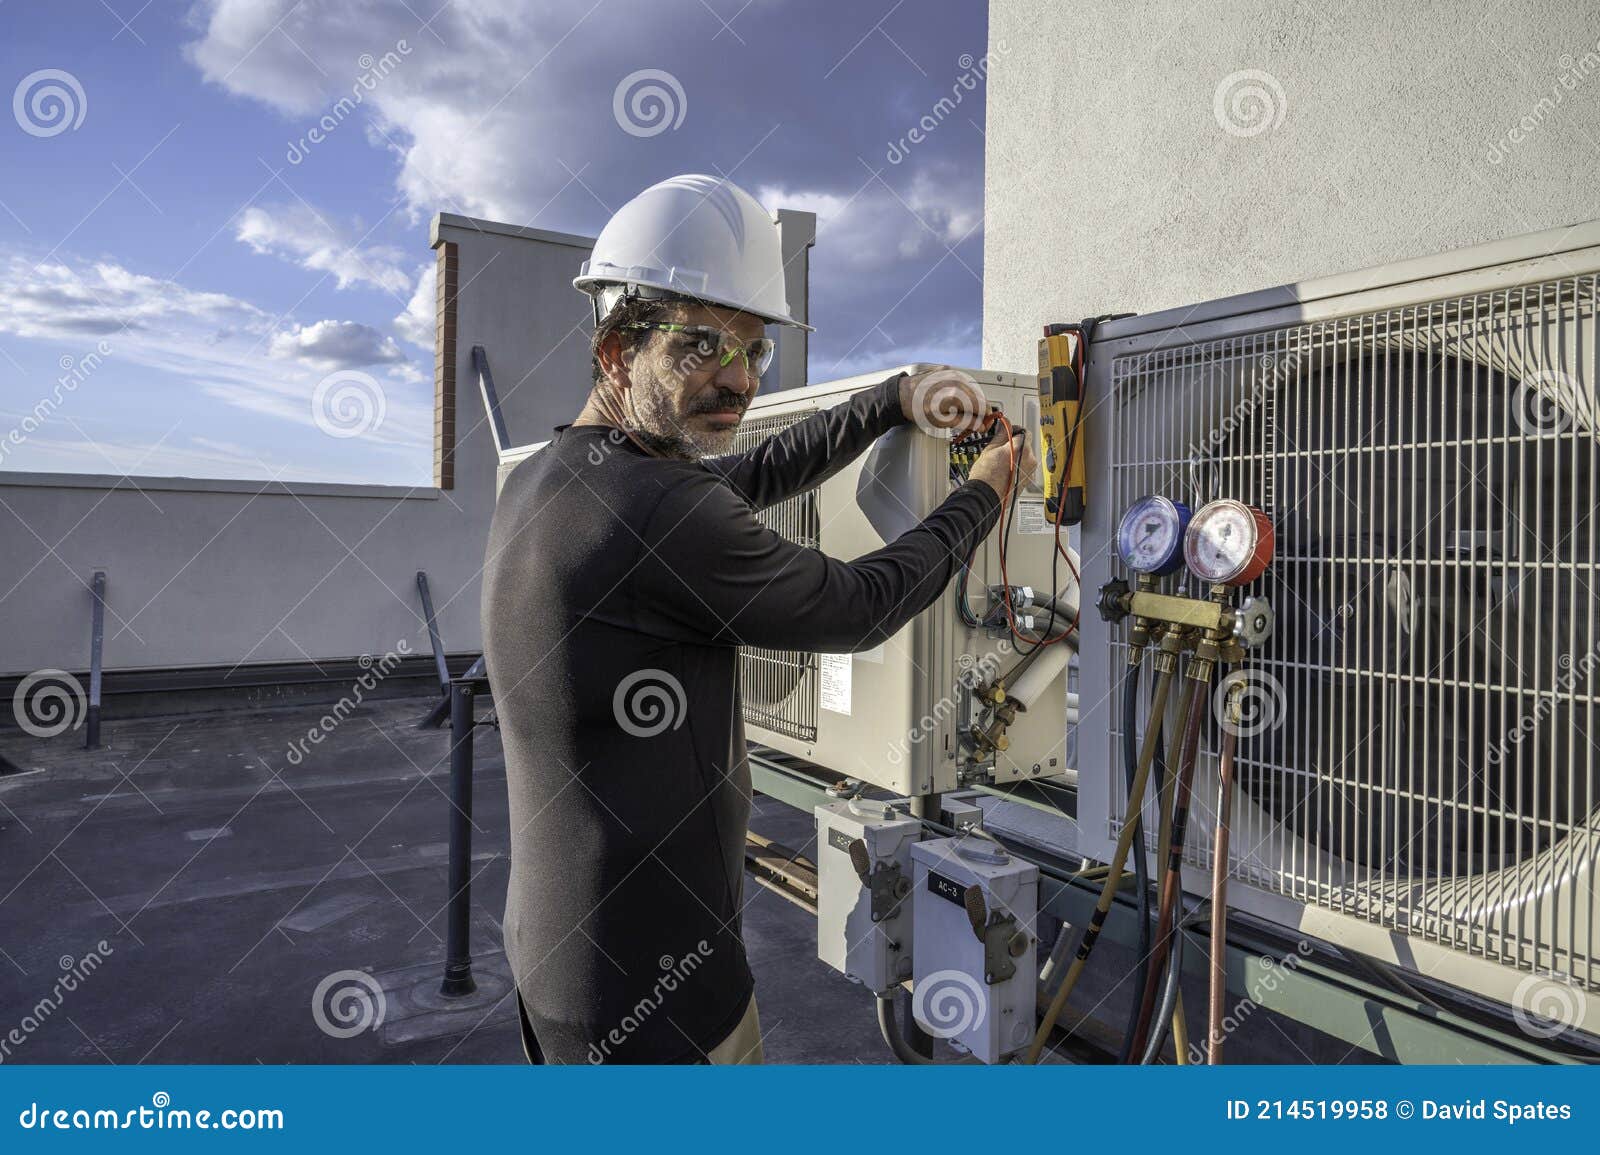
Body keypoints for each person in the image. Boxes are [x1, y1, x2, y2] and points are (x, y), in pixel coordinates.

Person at [481, 174, 1034, 1064]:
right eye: (700, 345)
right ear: (618, 348)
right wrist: (981, 495)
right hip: (653, 994)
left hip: (560, 957)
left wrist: (892, 397)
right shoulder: (656, 511)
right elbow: (859, 605)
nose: (736, 378)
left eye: (754, 351)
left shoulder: (558, 476)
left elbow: (759, 472)